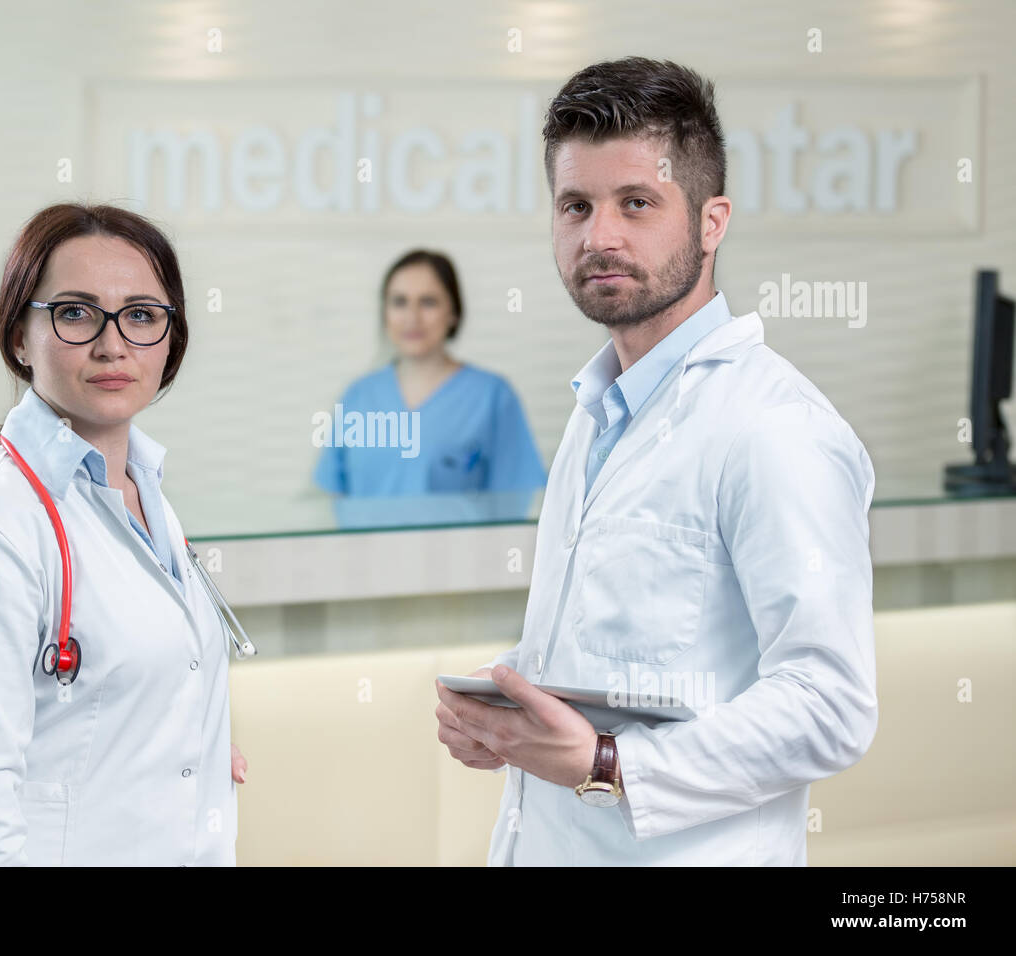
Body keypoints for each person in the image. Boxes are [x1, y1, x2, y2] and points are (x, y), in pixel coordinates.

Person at [434, 57, 877, 866]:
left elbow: (830, 705)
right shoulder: (596, 412)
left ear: (712, 221)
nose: (599, 236)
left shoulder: (774, 428)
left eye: (636, 203)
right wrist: (513, 710)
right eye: (576, 205)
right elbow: (636, 646)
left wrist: (610, 765)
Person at [0, 202, 247, 866]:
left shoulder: (143, 488)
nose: (113, 344)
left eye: (143, 315)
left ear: (171, 341)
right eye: (75, 313)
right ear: (17, 337)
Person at [314, 250, 546, 496]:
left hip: (465, 537)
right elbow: (330, 498)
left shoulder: (492, 396)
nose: (412, 318)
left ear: (453, 313)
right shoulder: (358, 396)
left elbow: (517, 501)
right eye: (399, 302)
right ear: (385, 313)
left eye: (428, 302)